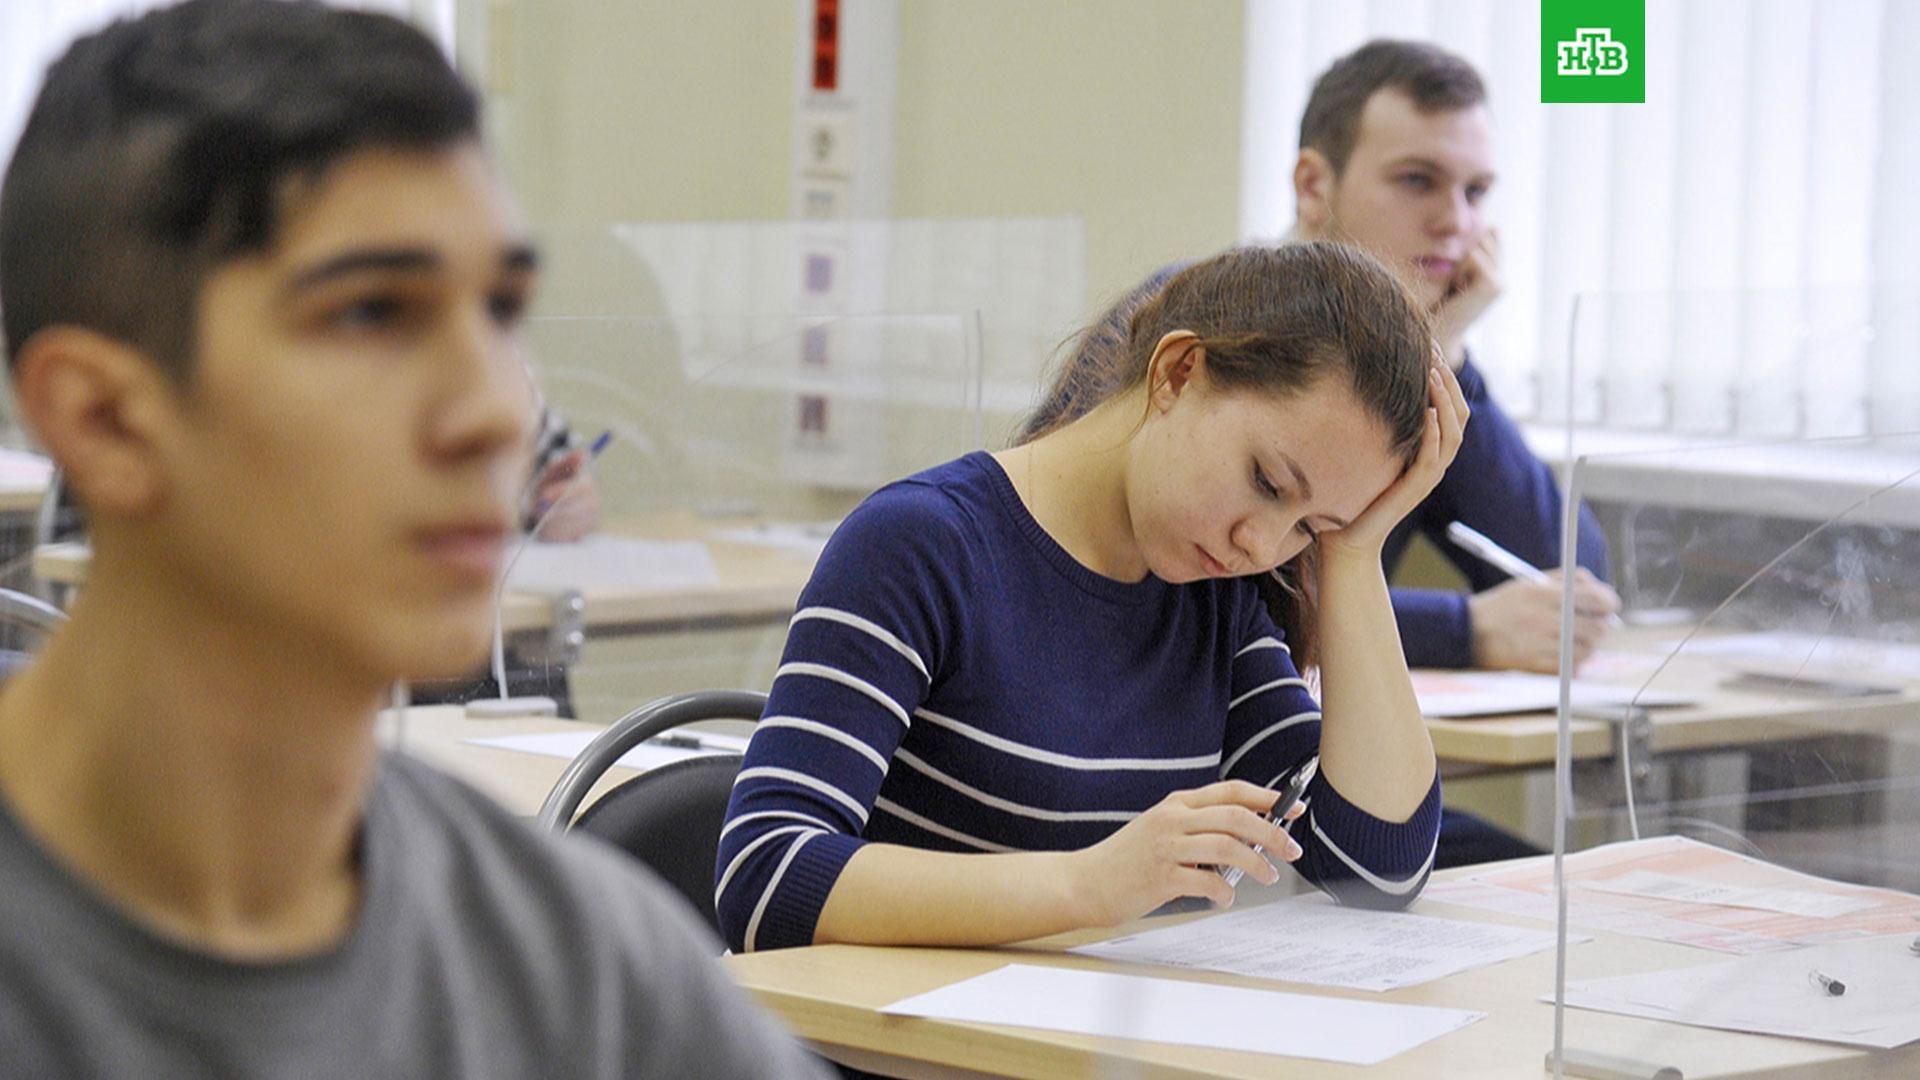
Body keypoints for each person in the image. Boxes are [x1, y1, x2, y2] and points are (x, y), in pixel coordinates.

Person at [0, 3, 825, 1076]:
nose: (494, 412)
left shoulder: (576, 965)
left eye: (502, 308)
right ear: (104, 417)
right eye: (372, 314)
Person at [717, 242, 1469, 954]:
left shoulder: (1212, 594)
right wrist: (1088, 884)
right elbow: (766, 875)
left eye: (1306, 526)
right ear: (1177, 372)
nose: (1261, 544)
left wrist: (1353, 551)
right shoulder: (922, 544)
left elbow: (1377, 866)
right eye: (1267, 483)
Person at [1024, 39, 1621, 678]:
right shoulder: (1205, 320)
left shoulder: (1406, 365)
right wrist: (1460, 630)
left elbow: (1576, 586)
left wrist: (1446, 356)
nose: (1455, 222)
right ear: (1314, 185)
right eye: (1417, 180)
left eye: (1476, 193)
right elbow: (1194, 594)